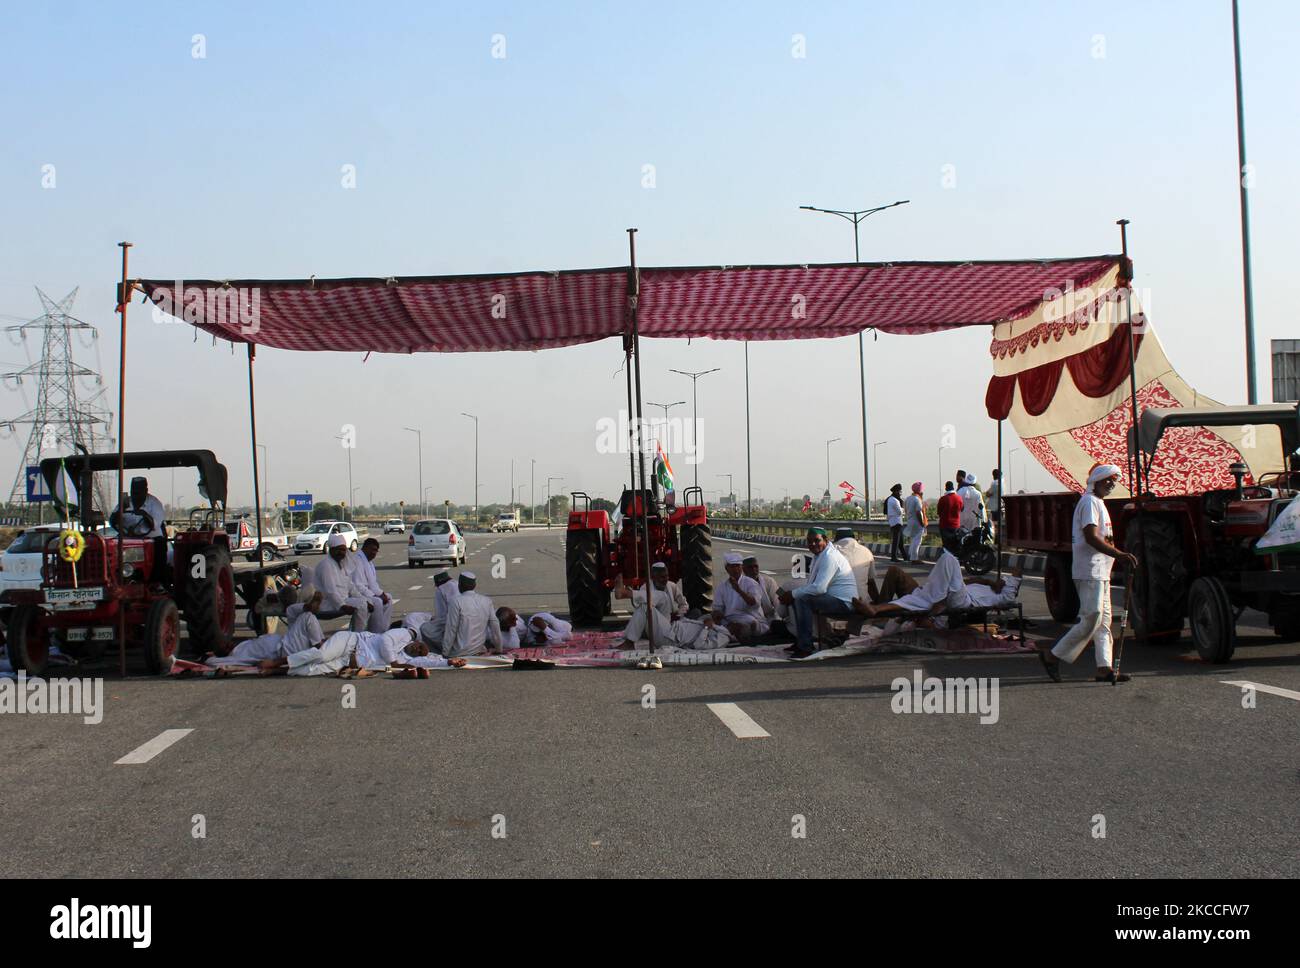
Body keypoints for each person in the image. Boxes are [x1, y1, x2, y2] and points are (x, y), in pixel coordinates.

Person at [1039, 464, 1137, 683]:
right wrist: (1119, 554)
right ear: (1096, 481)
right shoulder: (1089, 502)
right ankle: (1052, 655)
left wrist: (1115, 558)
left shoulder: (1098, 503)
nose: (1111, 484)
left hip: (1101, 571)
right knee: (1091, 618)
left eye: (1114, 481)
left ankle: (1104, 668)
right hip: (1089, 571)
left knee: (1103, 622)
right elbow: (1091, 537)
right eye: (1107, 480)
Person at [777, 528, 857, 658]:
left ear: (826, 540)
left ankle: (805, 647)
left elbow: (819, 588)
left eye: (817, 540)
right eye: (809, 541)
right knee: (798, 598)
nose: (813, 544)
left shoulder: (830, 556)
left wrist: (793, 594)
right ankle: (801, 641)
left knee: (801, 599)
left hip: (844, 602)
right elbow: (812, 586)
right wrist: (794, 595)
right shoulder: (819, 556)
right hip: (833, 598)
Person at [205, 586, 326, 668]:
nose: (228, 643)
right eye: (225, 646)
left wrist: (215, 652)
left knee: (291, 610)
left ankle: (309, 608)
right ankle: (320, 647)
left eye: (225, 643)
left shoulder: (240, 647)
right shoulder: (237, 656)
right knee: (307, 617)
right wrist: (212, 656)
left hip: (287, 639)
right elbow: (211, 662)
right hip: (287, 648)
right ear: (225, 653)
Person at [287, 626, 465, 677]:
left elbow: (426, 662)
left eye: (418, 652)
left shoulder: (406, 658)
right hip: (350, 642)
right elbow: (386, 639)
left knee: (311, 671)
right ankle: (279, 661)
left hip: (347, 662)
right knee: (320, 656)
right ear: (416, 641)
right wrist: (394, 662)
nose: (416, 649)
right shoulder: (403, 636)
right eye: (419, 646)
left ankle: (277, 668)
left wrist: (448, 662)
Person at [852, 546, 972, 620]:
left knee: (948, 559)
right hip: (931, 592)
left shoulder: (984, 592)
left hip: (947, 598)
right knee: (897, 574)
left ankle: (877, 609)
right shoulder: (968, 584)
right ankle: (877, 608)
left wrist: (989, 583)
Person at [616, 562, 688, 649]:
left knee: (661, 597)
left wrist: (679, 615)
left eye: (666, 576)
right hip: (648, 628)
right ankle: (628, 594)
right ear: (653, 578)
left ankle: (627, 593)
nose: (665, 579)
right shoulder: (645, 587)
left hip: (666, 628)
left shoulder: (671, 586)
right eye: (662, 577)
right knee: (649, 604)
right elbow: (639, 609)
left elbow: (683, 604)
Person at [313, 534, 370, 631]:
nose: (342, 552)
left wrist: (364, 599)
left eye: (343, 550)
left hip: (342, 601)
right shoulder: (326, 565)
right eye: (338, 549)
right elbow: (330, 591)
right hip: (327, 603)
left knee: (366, 602)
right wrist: (342, 606)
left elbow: (351, 587)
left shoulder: (341, 565)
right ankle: (357, 636)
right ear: (331, 550)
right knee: (361, 605)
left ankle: (359, 634)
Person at [441, 571, 503, 658]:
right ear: (474, 585)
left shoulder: (455, 601)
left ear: (460, 585)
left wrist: (445, 653)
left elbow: (451, 628)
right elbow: (495, 627)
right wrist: (499, 649)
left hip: (459, 653)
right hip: (479, 651)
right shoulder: (486, 601)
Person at [712, 551, 766, 642]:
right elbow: (718, 608)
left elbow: (754, 603)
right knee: (705, 620)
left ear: (741, 567)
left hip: (750, 618)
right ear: (727, 569)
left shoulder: (750, 583)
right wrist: (717, 615)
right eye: (732, 566)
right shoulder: (722, 587)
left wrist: (739, 590)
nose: (735, 569)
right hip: (729, 620)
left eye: (738, 566)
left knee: (742, 628)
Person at [351, 537, 393, 633]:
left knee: (389, 598)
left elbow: (373, 584)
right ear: (365, 548)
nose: (374, 553)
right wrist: (374, 595)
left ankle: (384, 629)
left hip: (367, 592)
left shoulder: (369, 563)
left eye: (376, 551)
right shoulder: (357, 560)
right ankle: (376, 632)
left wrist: (381, 593)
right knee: (377, 601)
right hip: (357, 593)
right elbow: (357, 585)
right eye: (372, 550)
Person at [833, 528, 880, 603]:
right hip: (862, 602)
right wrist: (878, 602)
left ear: (836, 538)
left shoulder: (831, 552)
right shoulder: (866, 551)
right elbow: (870, 582)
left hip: (838, 603)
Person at [419, 569, 460, 648]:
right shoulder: (457, 584)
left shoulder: (441, 589)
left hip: (451, 622)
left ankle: (442, 648)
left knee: (424, 628)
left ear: (438, 582)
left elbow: (441, 615)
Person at [742, 555, 783, 632]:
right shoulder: (739, 584)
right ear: (743, 569)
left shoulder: (769, 580)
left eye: (756, 566)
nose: (754, 569)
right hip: (751, 619)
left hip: (770, 618)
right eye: (750, 567)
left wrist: (780, 617)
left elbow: (779, 598)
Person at [936, 482, 964, 553]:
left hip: (944, 525)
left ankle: (947, 561)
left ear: (946, 488)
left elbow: (939, 512)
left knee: (946, 545)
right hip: (955, 525)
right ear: (953, 488)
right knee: (955, 544)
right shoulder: (959, 498)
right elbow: (962, 509)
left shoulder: (943, 499)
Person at [903, 482, 927, 562]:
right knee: (917, 541)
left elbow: (906, 510)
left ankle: (912, 556)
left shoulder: (908, 498)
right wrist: (922, 523)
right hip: (917, 522)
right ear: (919, 491)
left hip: (910, 521)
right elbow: (918, 512)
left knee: (913, 540)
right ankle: (914, 558)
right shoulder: (917, 499)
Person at [885, 484, 905, 561]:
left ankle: (905, 556)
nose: (900, 493)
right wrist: (902, 508)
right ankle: (894, 557)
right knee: (896, 541)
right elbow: (900, 512)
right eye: (900, 492)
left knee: (900, 541)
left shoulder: (890, 499)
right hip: (897, 522)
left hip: (893, 522)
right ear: (897, 491)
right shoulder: (895, 500)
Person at [984, 469, 1002, 539]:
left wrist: (988, 493)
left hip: (994, 507)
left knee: (994, 523)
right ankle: (998, 538)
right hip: (1000, 505)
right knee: (998, 522)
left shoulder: (994, 483)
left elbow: (988, 494)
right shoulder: (1001, 483)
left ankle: (996, 538)